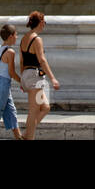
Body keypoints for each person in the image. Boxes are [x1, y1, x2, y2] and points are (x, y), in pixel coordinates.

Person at [19, 11, 60, 140]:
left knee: (45, 107)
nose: (44, 25)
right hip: (35, 77)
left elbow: (21, 60)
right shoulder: (37, 39)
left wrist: (22, 79)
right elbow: (42, 60)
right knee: (34, 110)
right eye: (45, 23)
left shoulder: (24, 38)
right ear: (41, 22)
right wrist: (53, 78)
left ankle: (26, 134)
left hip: (27, 75)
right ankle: (29, 138)